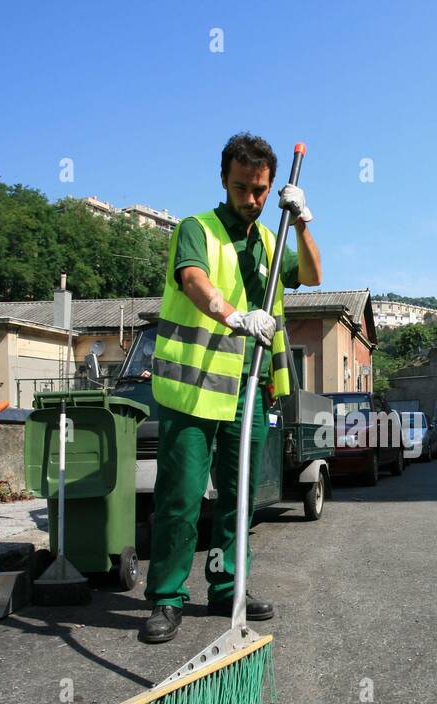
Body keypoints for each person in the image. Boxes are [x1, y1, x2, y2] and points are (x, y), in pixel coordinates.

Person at [139, 132, 322, 644]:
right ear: (224, 181)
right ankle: (167, 598)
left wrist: (303, 222)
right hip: (193, 391)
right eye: (242, 187)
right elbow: (194, 280)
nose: (252, 199)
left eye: (261, 190)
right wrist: (233, 315)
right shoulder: (196, 229)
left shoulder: (272, 238)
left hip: (248, 390)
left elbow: (311, 272)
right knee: (180, 498)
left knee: (238, 500)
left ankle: (225, 587)